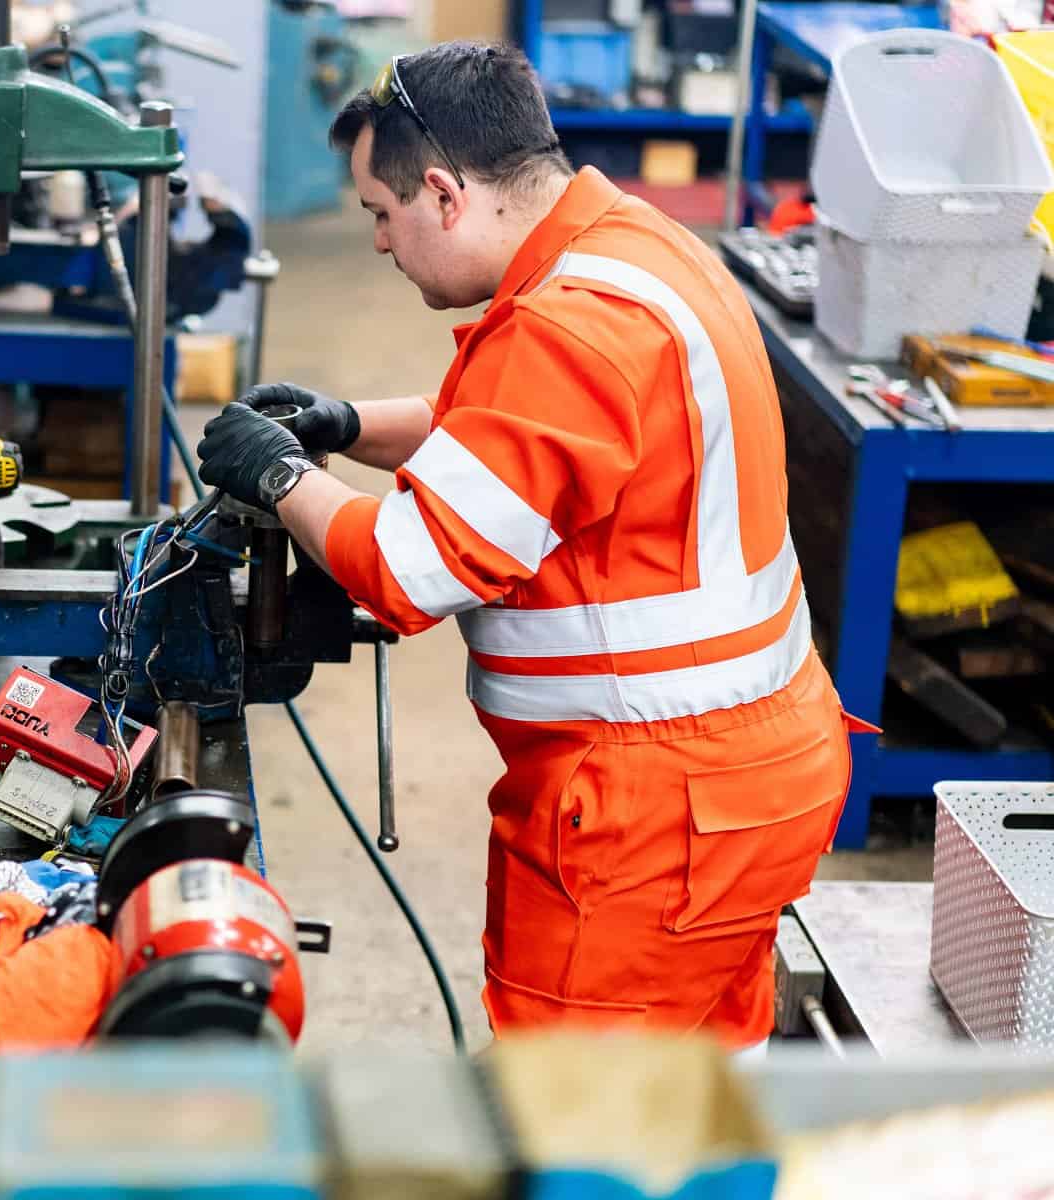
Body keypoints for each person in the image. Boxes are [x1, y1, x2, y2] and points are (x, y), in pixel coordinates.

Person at [196, 42, 865, 1051]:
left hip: (654, 813)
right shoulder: (631, 248)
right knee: (702, 1082)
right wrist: (348, 425)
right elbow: (523, 439)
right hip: (743, 779)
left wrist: (282, 477)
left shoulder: (572, 328)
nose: (377, 243)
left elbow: (408, 566)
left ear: (443, 192)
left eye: (381, 214)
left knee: (570, 1111)